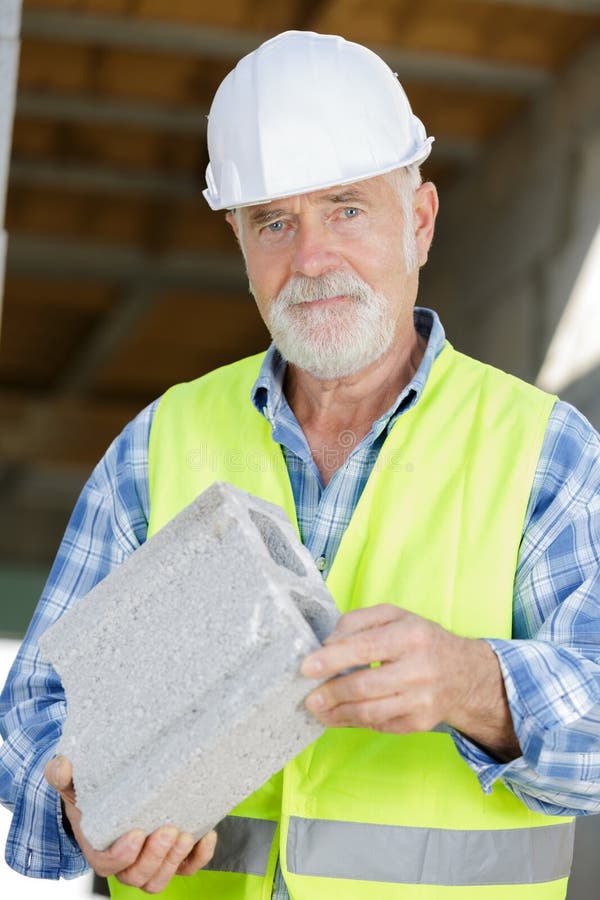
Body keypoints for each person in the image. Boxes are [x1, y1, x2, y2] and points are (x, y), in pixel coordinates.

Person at [1, 29, 600, 900]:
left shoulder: (544, 451)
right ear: (241, 245)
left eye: (347, 208)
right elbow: (29, 721)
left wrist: (479, 684)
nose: (311, 259)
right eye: (274, 222)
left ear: (420, 222)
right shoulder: (158, 443)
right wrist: (79, 810)